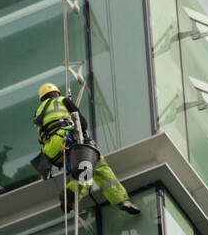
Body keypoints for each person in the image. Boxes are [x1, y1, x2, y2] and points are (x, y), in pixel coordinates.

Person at [31, 83, 140, 215]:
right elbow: (82, 122)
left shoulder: (37, 113)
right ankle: (120, 200)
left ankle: (71, 196)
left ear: (42, 97)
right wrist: (82, 136)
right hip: (64, 140)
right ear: (57, 93)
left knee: (84, 168)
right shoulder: (63, 100)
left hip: (51, 153)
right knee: (96, 164)